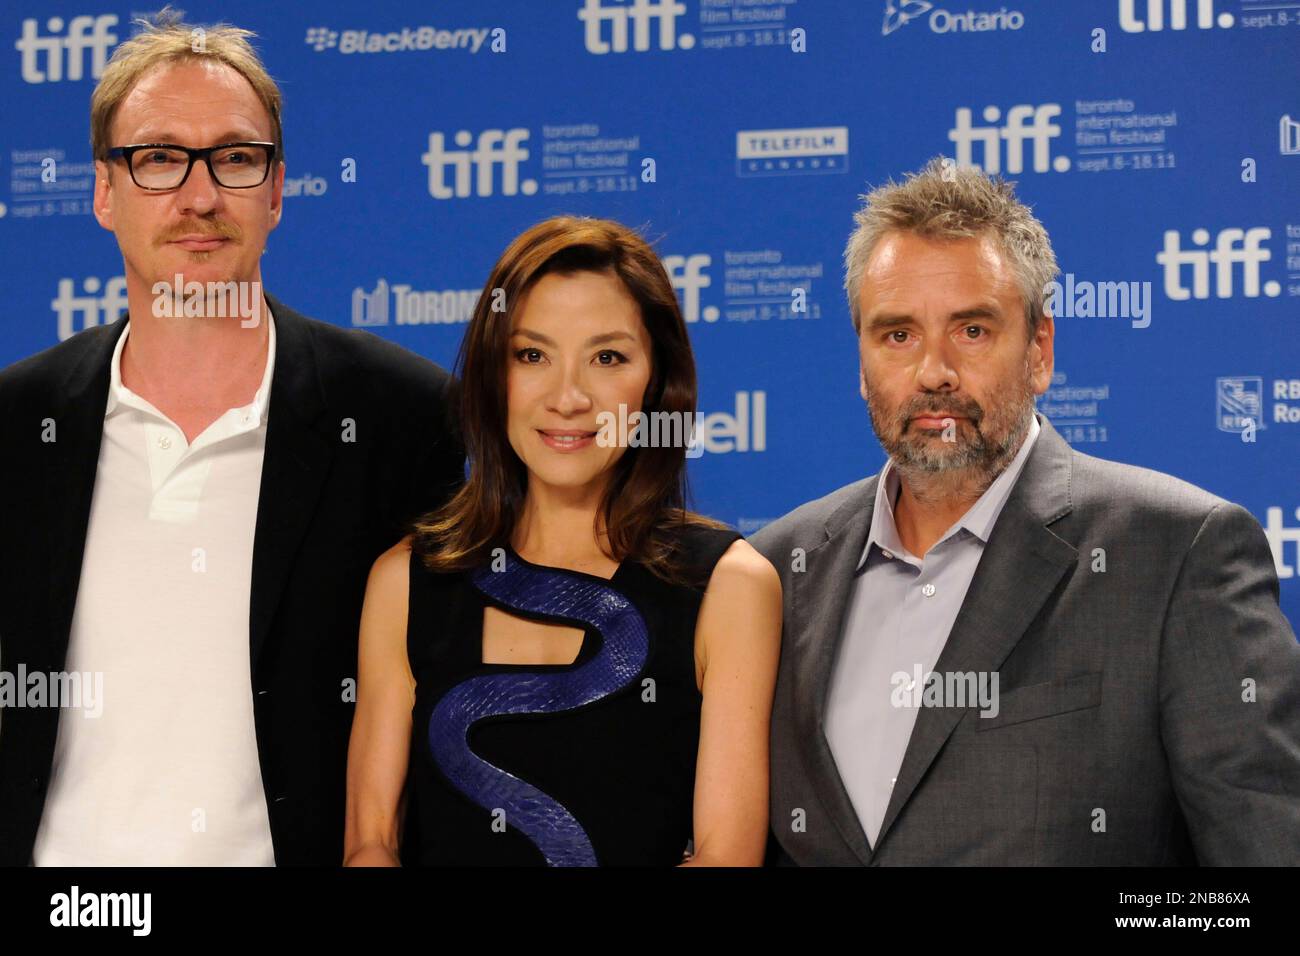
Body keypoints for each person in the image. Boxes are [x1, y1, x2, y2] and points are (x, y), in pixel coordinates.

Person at [0, 12, 464, 866]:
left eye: (235, 158)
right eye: (159, 158)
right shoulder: (16, 424)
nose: (200, 196)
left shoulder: (400, 417)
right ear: (104, 192)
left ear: (276, 190)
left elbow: (445, 714)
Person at [752, 156, 1300, 865]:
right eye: (898, 335)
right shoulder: (774, 571)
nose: (933, 372)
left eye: (972, 331)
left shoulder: (1177, 554)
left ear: (1040, 350)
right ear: (862, 362)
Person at [343, 216, 781, 866]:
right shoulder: (405, 581)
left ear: (656, 381)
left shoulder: (728, 585)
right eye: (532, 356)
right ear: (493, 376)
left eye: (607, 358)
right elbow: (371, 843)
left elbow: (725, 856)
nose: (568, 398)